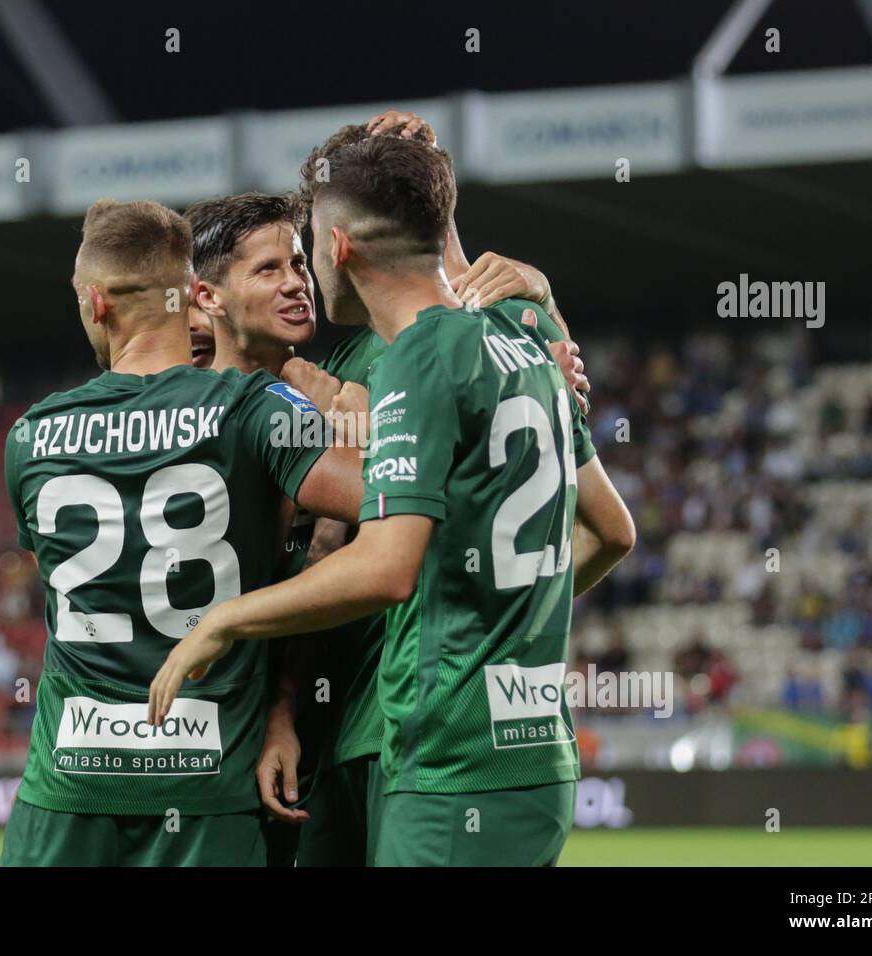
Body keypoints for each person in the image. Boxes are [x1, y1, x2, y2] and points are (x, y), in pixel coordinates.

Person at [151, 132, 635, 866]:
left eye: (300, 254)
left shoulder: (398, 354)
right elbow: (609, 529)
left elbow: (384, 562)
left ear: (335, 247)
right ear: (206, 298)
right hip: (466, 740)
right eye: (267, 268)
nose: (298, 278)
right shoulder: (503, 335)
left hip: (421, 738)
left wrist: (228, 622)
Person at [0, 198, 362, 866]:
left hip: (66, 791)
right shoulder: (252, 406)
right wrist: (357, 412)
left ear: (95, 301)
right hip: (208, 789)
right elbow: (390, 497)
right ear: (191, 296)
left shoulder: (30, 436)